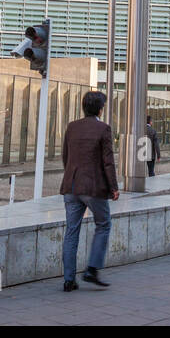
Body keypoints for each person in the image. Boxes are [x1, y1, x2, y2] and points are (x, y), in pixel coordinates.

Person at [58, 90, 119, 292]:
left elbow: (65, 156)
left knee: (71, 231)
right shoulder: (103, 129)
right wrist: (114, 188)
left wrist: (71, 176)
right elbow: (108, 162)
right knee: (103, 224)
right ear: (100, 109)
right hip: (93, 188)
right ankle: (92, 269)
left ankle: (68, 280)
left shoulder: (72, 127)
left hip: (71, 186)